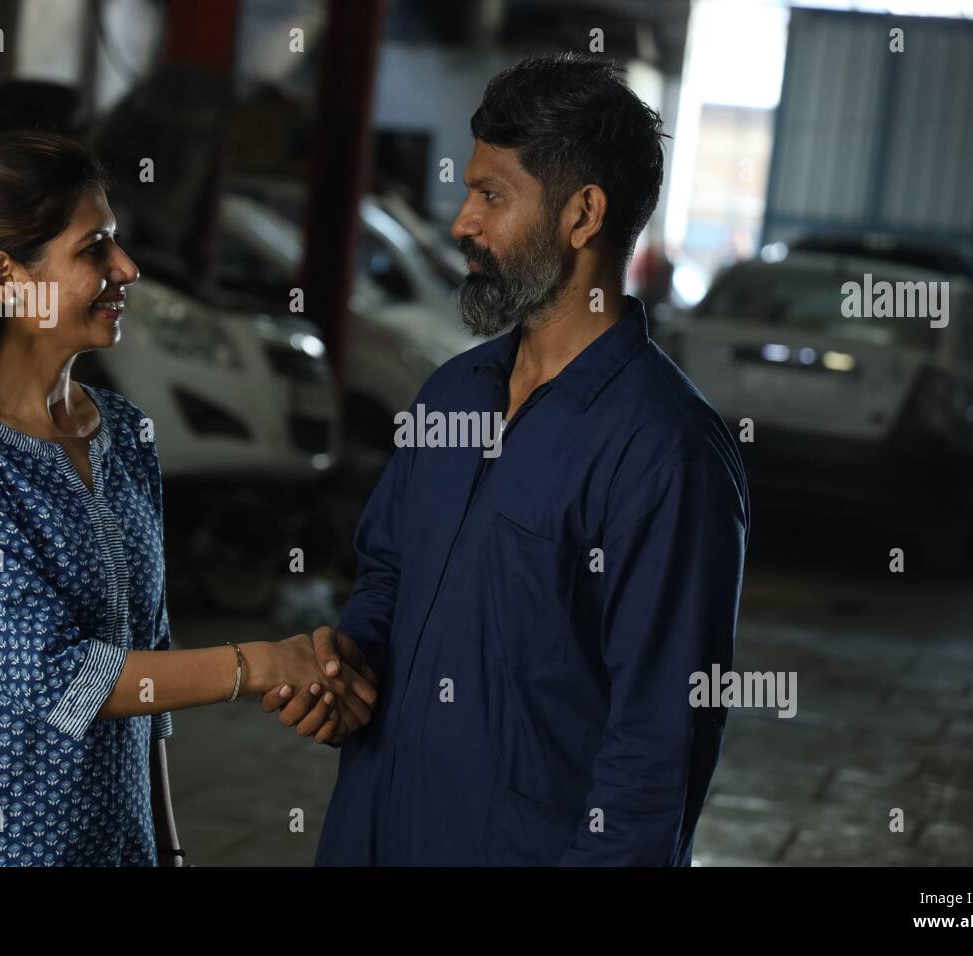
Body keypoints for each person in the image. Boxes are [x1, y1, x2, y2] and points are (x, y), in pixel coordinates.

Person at [266, 53, 750, 865]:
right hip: (373, 834)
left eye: (492, 195)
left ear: (582, 214)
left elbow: (655, 748)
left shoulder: (666, 455)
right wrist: (349, 668)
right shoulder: (454, 394)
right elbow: (387, 569)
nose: (462, 222)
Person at [0, 130, 376, 866]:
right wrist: (261, 664)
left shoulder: (124, 431)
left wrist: (165, 846)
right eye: (94, 248)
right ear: (5, 276)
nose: (127, 269)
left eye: (118, 243)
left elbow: (149, 653)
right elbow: (63, 678)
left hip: (111, 844)